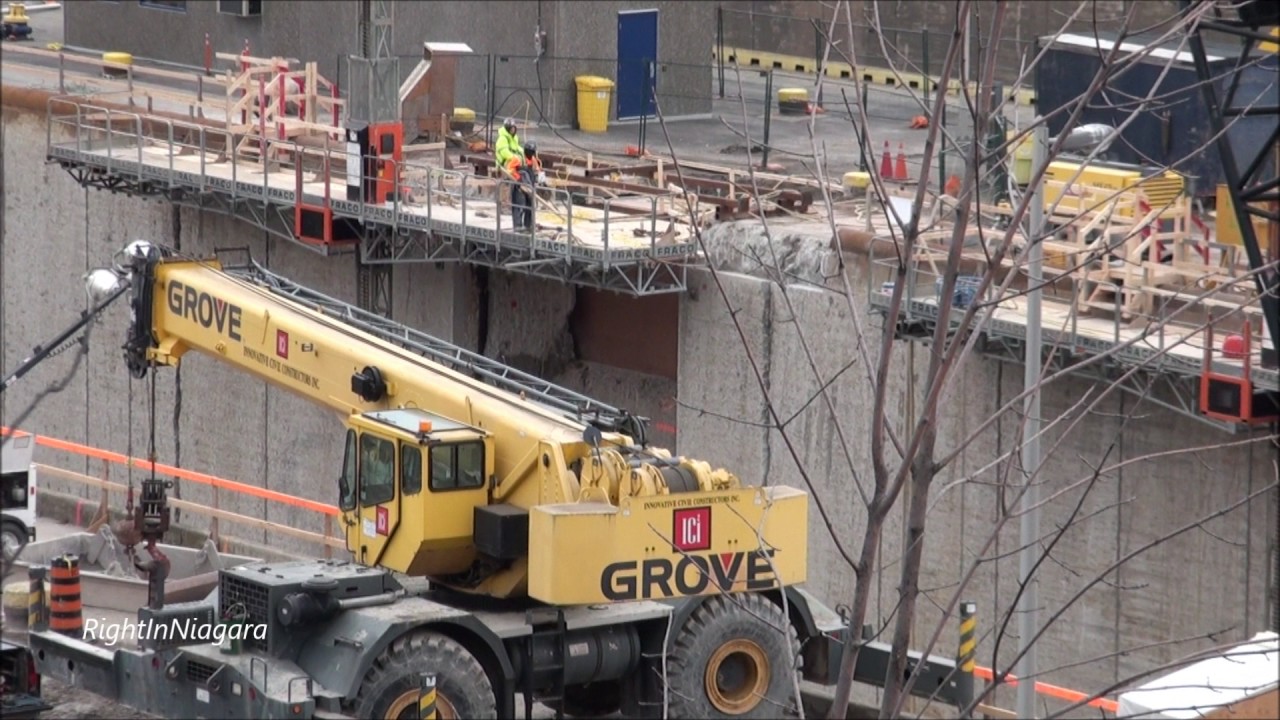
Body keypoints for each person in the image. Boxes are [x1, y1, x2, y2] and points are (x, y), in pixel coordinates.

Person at [504, 142, 545, 231]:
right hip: (519, 187)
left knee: (530, 206)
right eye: (532, 152)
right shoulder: (518, 159)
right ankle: (518, 226)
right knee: (519, 206)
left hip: (529, 187)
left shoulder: (533, 160)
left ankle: (528, 225)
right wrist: (518, 177)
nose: (533, 154)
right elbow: (509, 170)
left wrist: (541, 180)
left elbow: (537, 171)